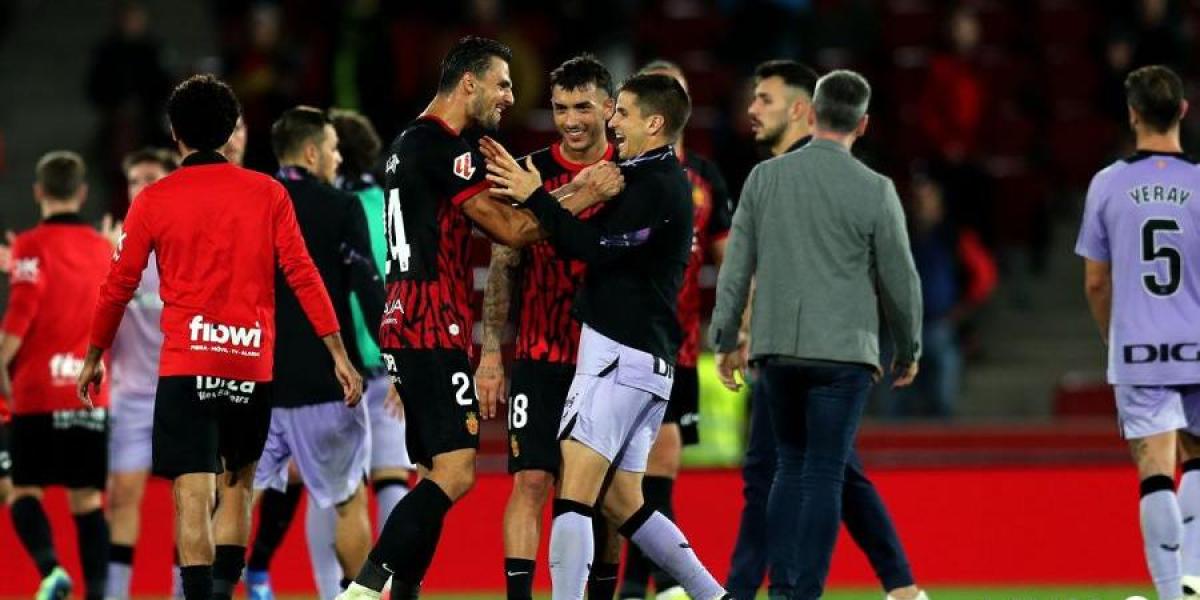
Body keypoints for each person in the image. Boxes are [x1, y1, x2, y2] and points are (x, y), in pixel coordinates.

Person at [338, 36, 618, 600]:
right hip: (429, 320)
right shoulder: (444, 146)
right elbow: (512, 231)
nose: (510, 96)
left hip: (403, 317)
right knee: (458, 472)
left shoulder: (406, 143)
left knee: (433, 473)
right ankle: (363, 590)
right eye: (502, 83)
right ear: (470, 83)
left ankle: (401, 592)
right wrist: (579, 192)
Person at [77, 74, 362, 600]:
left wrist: (95, 355)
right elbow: (303, 273)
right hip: (250, 365)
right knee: (237, 488)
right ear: (232, 129)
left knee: (192, 495)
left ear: (174, 133)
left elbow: (117, 286)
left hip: (186, 366)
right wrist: (337, 351)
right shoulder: (268, 193)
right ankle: (226, 590)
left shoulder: (154, 200)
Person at [484, 72, 729, 600]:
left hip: (620, 356)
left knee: (574, 495)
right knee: (626, 504)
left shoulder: (656, 184)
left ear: (654, 122)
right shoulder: (651, 176)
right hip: (644, 362)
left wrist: (538, 197)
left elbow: (593, 249)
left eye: (622, 112)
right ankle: (716, 596)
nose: (611, 121)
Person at [709, 70, 923, 600]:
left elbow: (736, 268)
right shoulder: (875, 189)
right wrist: (909, 345)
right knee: (825, 474)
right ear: (863, 124)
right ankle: (804, 594)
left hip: (777, 348)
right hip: (845, 353)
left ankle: (782, 590)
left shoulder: (765, 180)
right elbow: (901, 278)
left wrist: (724, 336)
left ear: (814, 112)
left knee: (786, 468)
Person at [474, 54, 623, 600]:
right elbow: (503, 264)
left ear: (609, 107)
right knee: (531, 481)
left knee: (604, 497)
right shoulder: (526, 171)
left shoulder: (629, 175)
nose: (571, 119)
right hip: (540, 356)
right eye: (561, 108)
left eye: (583, 106)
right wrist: (491, 353)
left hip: (605, 360)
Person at [1076, 64, 1200, 600]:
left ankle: (1173, 595)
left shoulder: (1108, 183)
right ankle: (1197, 581)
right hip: (1198, 341)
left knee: (1155, 471)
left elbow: (1097, 282)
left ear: (1132, 115)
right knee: (1197, 458)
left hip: (1141, 348)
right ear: (1183, 111)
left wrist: (1112, 339)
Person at [249, 106, 381, 600]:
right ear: (311, 152)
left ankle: (211, 590)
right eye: (331, 148)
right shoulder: (340, 207)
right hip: (326, 382)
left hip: (256, 381)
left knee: (239, 496)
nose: (337, 156)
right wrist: (392, 359)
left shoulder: (252, 206)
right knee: (348, 503)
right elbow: (368, 289)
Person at [618, 59, 733, 600]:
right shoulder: (621, 171)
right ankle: (654, 582)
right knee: (622, 478)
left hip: (681, 346)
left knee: (660, 467)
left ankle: (645, 583)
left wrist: (734, 327)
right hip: (623, 345)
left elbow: (727, 260)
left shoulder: (706, 178)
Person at [1, 151, 113, 600]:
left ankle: (52, 570)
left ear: (38, 192)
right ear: (83, 193)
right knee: (87, 502)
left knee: (22, 488)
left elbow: (21, 314)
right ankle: (99, 593)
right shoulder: (103, 248)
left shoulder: (30, 245)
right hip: (88, 394)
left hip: (38, 392)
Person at [330, 107, 417, 591]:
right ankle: (394, 584)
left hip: (336, 365)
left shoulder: (322, 207)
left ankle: (342, 590)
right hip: (391, 362)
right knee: (390, 479)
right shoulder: (389, 205)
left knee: (337, 494)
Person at [105, 148, 178, 600]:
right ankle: (115, 594)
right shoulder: (113, 249)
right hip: (131, 396)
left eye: (150, 178)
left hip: (180, 390)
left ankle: (180, 592)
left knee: (188, 499)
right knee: (123, 497)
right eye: (134, 180)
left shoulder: (187, 245)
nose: (140, 187)